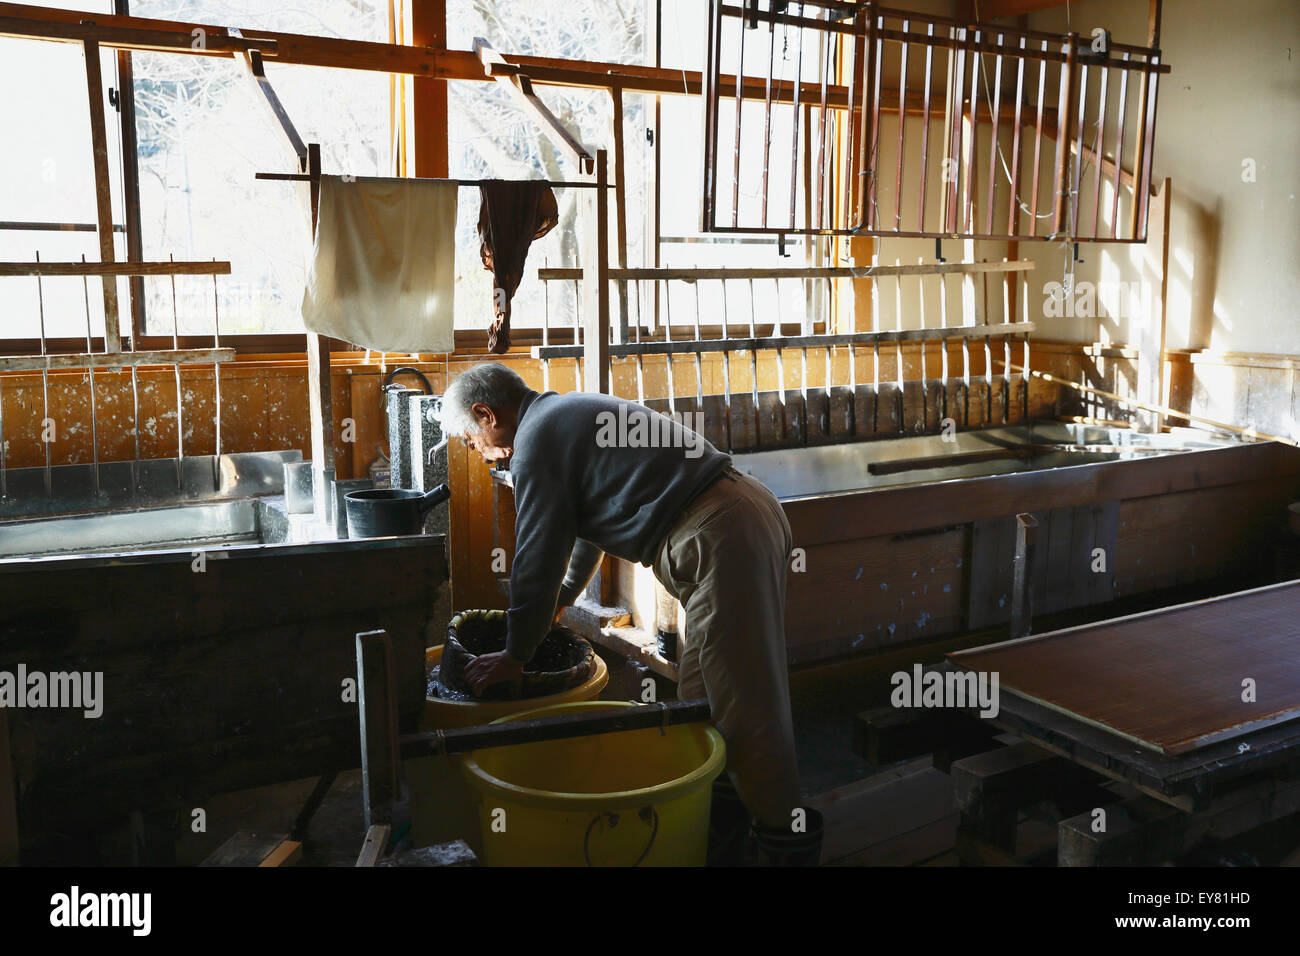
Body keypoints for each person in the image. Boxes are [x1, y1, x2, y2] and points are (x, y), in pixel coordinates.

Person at [440, 362, 821, 865]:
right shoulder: (559, 415)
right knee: (701, 699)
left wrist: (515, 653)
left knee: (746, 706)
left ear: (486, 414)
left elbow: (536, 557)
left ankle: (784, 844)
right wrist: (559, 602)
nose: (474, 450)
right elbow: (579, 533)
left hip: (722, 534)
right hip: (734, 518)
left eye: (470, 438)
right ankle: (719, 836)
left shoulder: (534, 441)